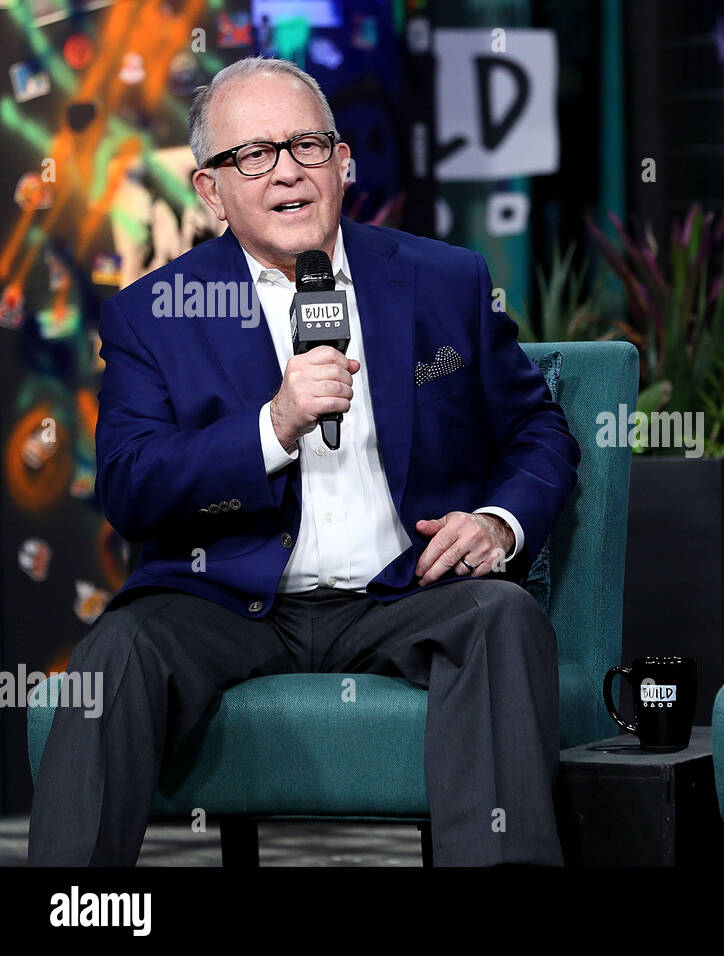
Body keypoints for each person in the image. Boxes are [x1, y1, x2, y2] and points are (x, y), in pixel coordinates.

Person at [28, 56, 580, 866]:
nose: (287, 171)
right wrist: (273, 425)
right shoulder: (152, 315)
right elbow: (132, 485)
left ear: (344, 163)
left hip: (403, 589)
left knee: (501, 618)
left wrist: (496, 523)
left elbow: (539, 429)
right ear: (211, 193)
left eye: (308, 146)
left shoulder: (444, 281)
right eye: (253, 155)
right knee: (117, 651)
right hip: (222, 598)